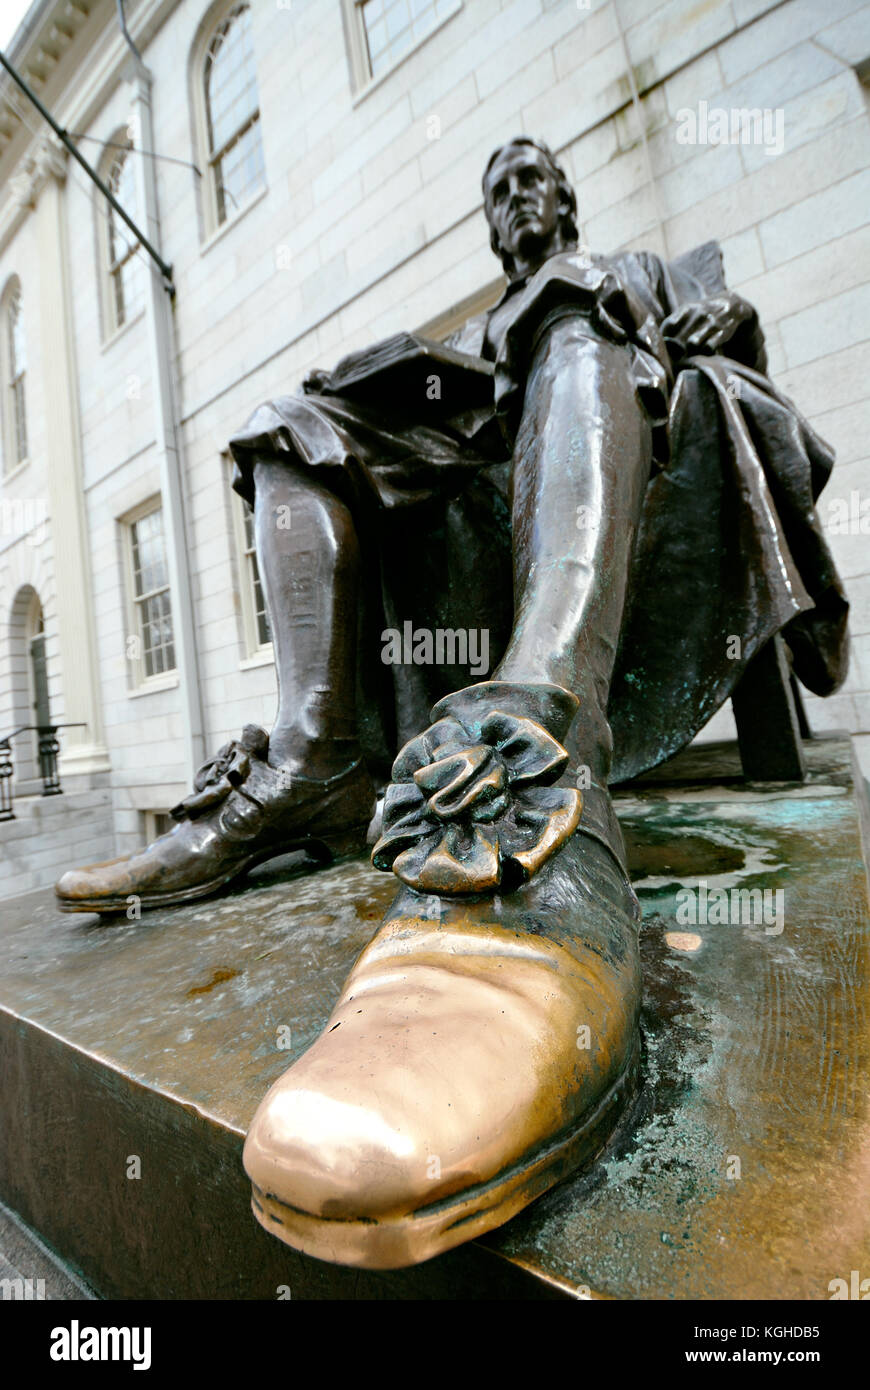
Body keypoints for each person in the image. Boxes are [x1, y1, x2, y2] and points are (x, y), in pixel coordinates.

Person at [56, 138, 848, 1268]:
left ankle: (541, 722)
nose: (520, 200)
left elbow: (738, 367)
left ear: (566, 198)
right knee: (294, 421)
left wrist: (718, 325)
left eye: (535, 180)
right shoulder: (471, 342)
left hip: (629, 408)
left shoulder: (639, 273)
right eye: (500, 192)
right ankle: (313, 762)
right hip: (480, 458)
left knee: (574, 315)